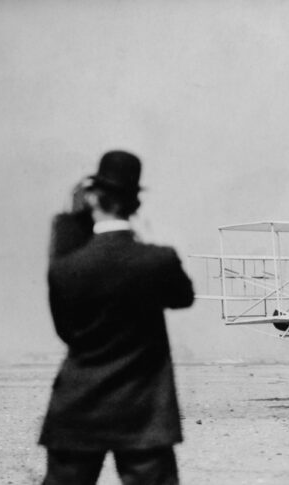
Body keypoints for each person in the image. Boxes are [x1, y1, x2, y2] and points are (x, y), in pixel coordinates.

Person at [39, 150, 194, 485]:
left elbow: (66, 331)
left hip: (78, 406)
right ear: (136, 203)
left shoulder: (65, 268)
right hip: (144, 412)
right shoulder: (158, 261)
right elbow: (184, 297)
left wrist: (70, 224)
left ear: (93, 198)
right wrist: (148, 244)